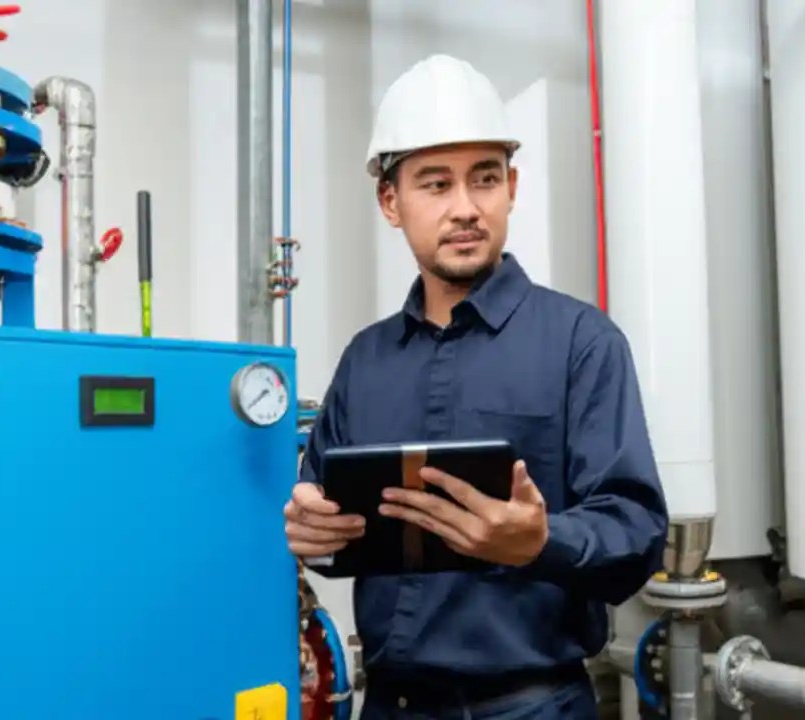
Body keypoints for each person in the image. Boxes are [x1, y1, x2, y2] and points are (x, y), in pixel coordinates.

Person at [285, 54, 669, 719]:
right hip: (391, 705)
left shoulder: (583, 343)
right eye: (436, 184)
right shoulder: (365, 360)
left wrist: (540, 542)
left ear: (512, 187)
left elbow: (636, 532)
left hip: (530, 704)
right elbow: (329, 524)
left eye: (484, 179)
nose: (466, 208)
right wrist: (309, 530)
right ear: (390, 201)